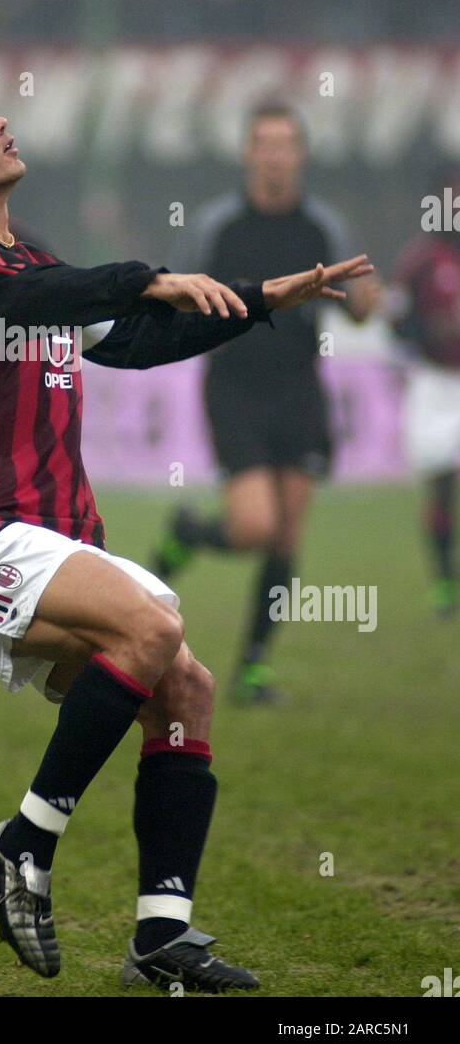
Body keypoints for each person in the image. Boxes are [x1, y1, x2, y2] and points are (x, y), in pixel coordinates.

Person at [0, 83, 371, 993]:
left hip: (44, 539)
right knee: (152, 629)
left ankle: (161, 936)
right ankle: (22, 841)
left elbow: (133, 341)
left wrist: (261, 301)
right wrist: (144, 270)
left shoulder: (33, 263)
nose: (2, 122)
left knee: (185, 687)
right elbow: (65, 294)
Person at [153, 102, 380, 704]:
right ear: (248, 152)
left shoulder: (323, 227)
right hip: (234, 388)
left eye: (286, 144)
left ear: (300, 154)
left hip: (300, 388)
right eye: (265, 143)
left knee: (286, 536)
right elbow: (175, 289)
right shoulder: (217, 225)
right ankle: (190, 533)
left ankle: (254, 667)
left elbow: (362, 300)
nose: (276, 155)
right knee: (256, 526)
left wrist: (362, 297)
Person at [389, 173, 460, 618]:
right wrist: (427, 333)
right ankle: (444, 585)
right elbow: (397, 324)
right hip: (435, 382)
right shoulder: (419, 260)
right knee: (441, 485)